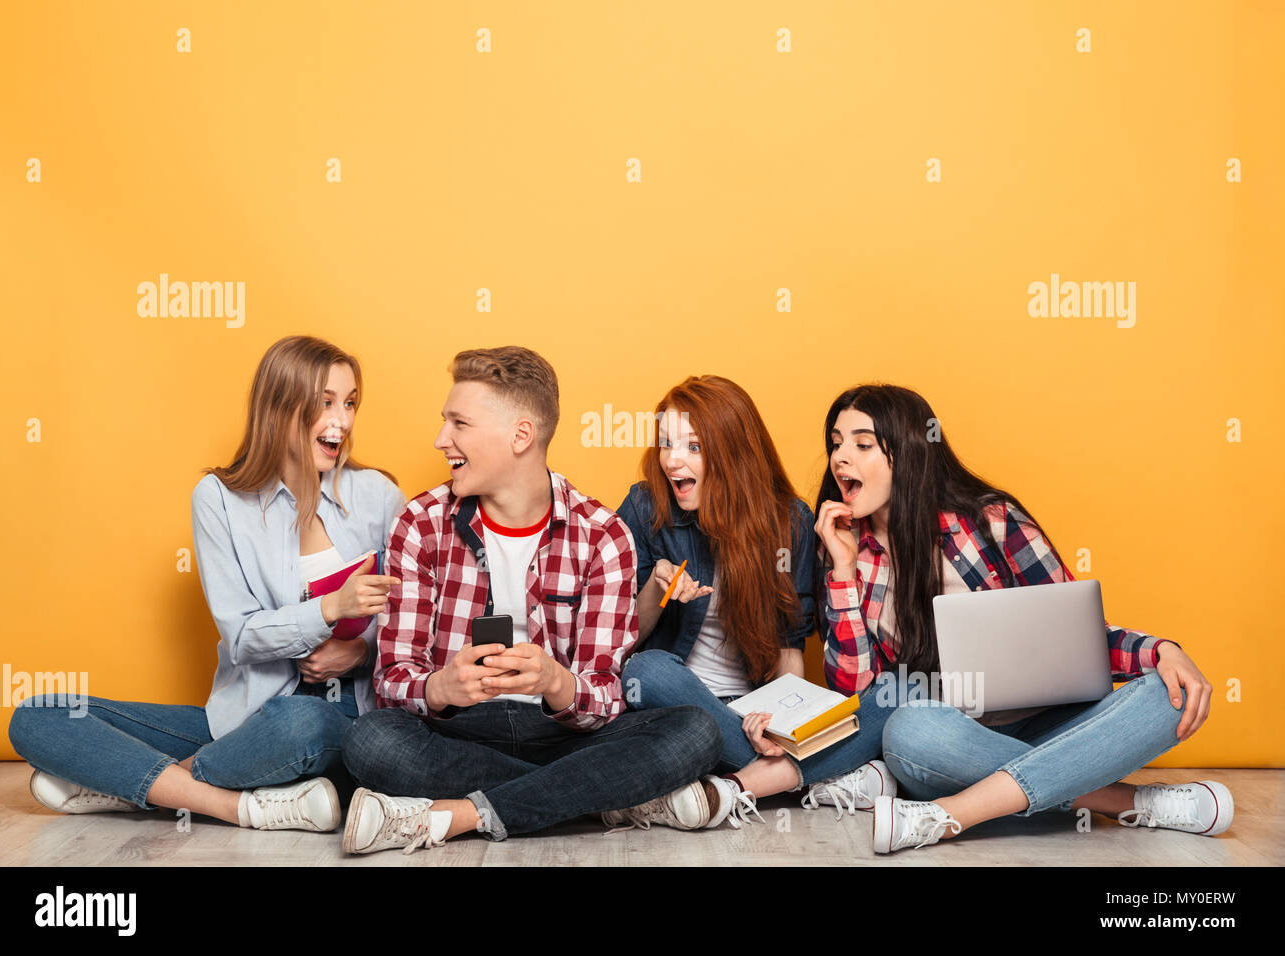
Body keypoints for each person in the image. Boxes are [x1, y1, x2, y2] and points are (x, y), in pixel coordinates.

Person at [807, 384, 1231, 853]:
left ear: (907, 453)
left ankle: (951, 814)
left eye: (862, 444)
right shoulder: (845, 553)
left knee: (1167, 693)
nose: (840, 457)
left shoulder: (994, 521)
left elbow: (1077, 638)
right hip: (957, 741)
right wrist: (843, 573)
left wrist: (1161, 651)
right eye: (836, 442)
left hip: (1055, 723)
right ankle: (1127, 801)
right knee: (907, 731)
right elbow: (857, 696)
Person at [9, 335, 407, 832]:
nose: (342, 421)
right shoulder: (218, 498)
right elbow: (241, 637)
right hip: (242, 720)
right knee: (39, 714)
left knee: (301, 722)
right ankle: (236, 805)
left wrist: (362, 653)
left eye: (349, 404)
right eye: (325, 403)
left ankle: (142, 789)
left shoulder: (380, 496)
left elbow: (413, 623)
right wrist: (325, 610)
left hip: (342, 717)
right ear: (280, 407)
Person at [339, 346, 723, 855]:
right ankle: (603, 795)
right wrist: (441, 687)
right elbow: (391, 683)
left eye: (459, 424)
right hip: (460, 734)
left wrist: (556, 681)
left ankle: (461, 814)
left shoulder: (603, 536)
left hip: (565, 734)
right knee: (370, 741)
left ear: (521, 436)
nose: (441, 440)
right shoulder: (420, 523)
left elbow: (605, 696)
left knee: (696, 731)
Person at [616, 375, 905, 828]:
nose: (672, 460)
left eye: (693, 447)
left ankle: (731, 785)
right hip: (677, 705)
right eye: (666, 443)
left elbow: (790, 645)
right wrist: (655, 587)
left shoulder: (790, 521)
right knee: (645, 670)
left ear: (732, 452)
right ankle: (810, 776)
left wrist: (777, 719)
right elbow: (617, 637)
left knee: (898, 694)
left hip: (752, 710)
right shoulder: (645, 507)